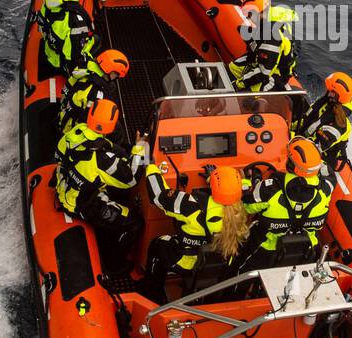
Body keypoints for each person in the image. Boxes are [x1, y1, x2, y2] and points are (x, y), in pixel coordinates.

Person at [54, 99, 146, 259]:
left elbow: (59, 155)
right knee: (134, 222)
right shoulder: (102, 159)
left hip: (67, 187)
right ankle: (114, 264)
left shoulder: (77, 132)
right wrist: (139, 149)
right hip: (82, 204)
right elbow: (130, 179)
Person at [144, 164, 249, 283]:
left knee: (157, 244)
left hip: (188, 263)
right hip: (223, 262)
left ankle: (151, 290)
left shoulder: (191, 205)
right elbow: (243, 187)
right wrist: (213, 179)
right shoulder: (240, 208)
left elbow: (158, 196)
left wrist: (151, 167)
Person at [242, 136, 334, 261]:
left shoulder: (268, 189)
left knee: (238, 266)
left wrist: (249, 181)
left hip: (266, 250)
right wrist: (314, 161)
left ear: (290, 165)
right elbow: (329, 175)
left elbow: (246, 206)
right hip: (305, 251)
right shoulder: (325, 190)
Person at [228, 0, 299, 93]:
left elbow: (264, 72)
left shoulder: (271, 35)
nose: (248, 18)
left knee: (241, 94)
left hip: (273, 74)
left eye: (249, 14)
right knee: (232, 68)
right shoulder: (272, 17)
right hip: (265, 60)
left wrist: (239, 84)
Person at [297, 72, 352, 170]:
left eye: (331, 91)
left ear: (339, 96)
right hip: (301, 138)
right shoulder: (329, 103)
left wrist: (296, 142)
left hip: (321, 159)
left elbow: (318, 147)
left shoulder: (338, 123)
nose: (328, 91)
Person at [36, 0, 96, 73]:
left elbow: (41, 21)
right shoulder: (77, 20)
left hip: (48, 50)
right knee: (96, 40)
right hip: (59, 63)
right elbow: (72, 55)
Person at [58, 48, 130, 135]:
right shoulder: (97, 93)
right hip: (71, 128)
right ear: (109, 70)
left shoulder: (87, 67)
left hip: (64, 108)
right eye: (116, 74)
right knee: (117, 130)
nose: (117, 77)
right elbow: (86, 120)